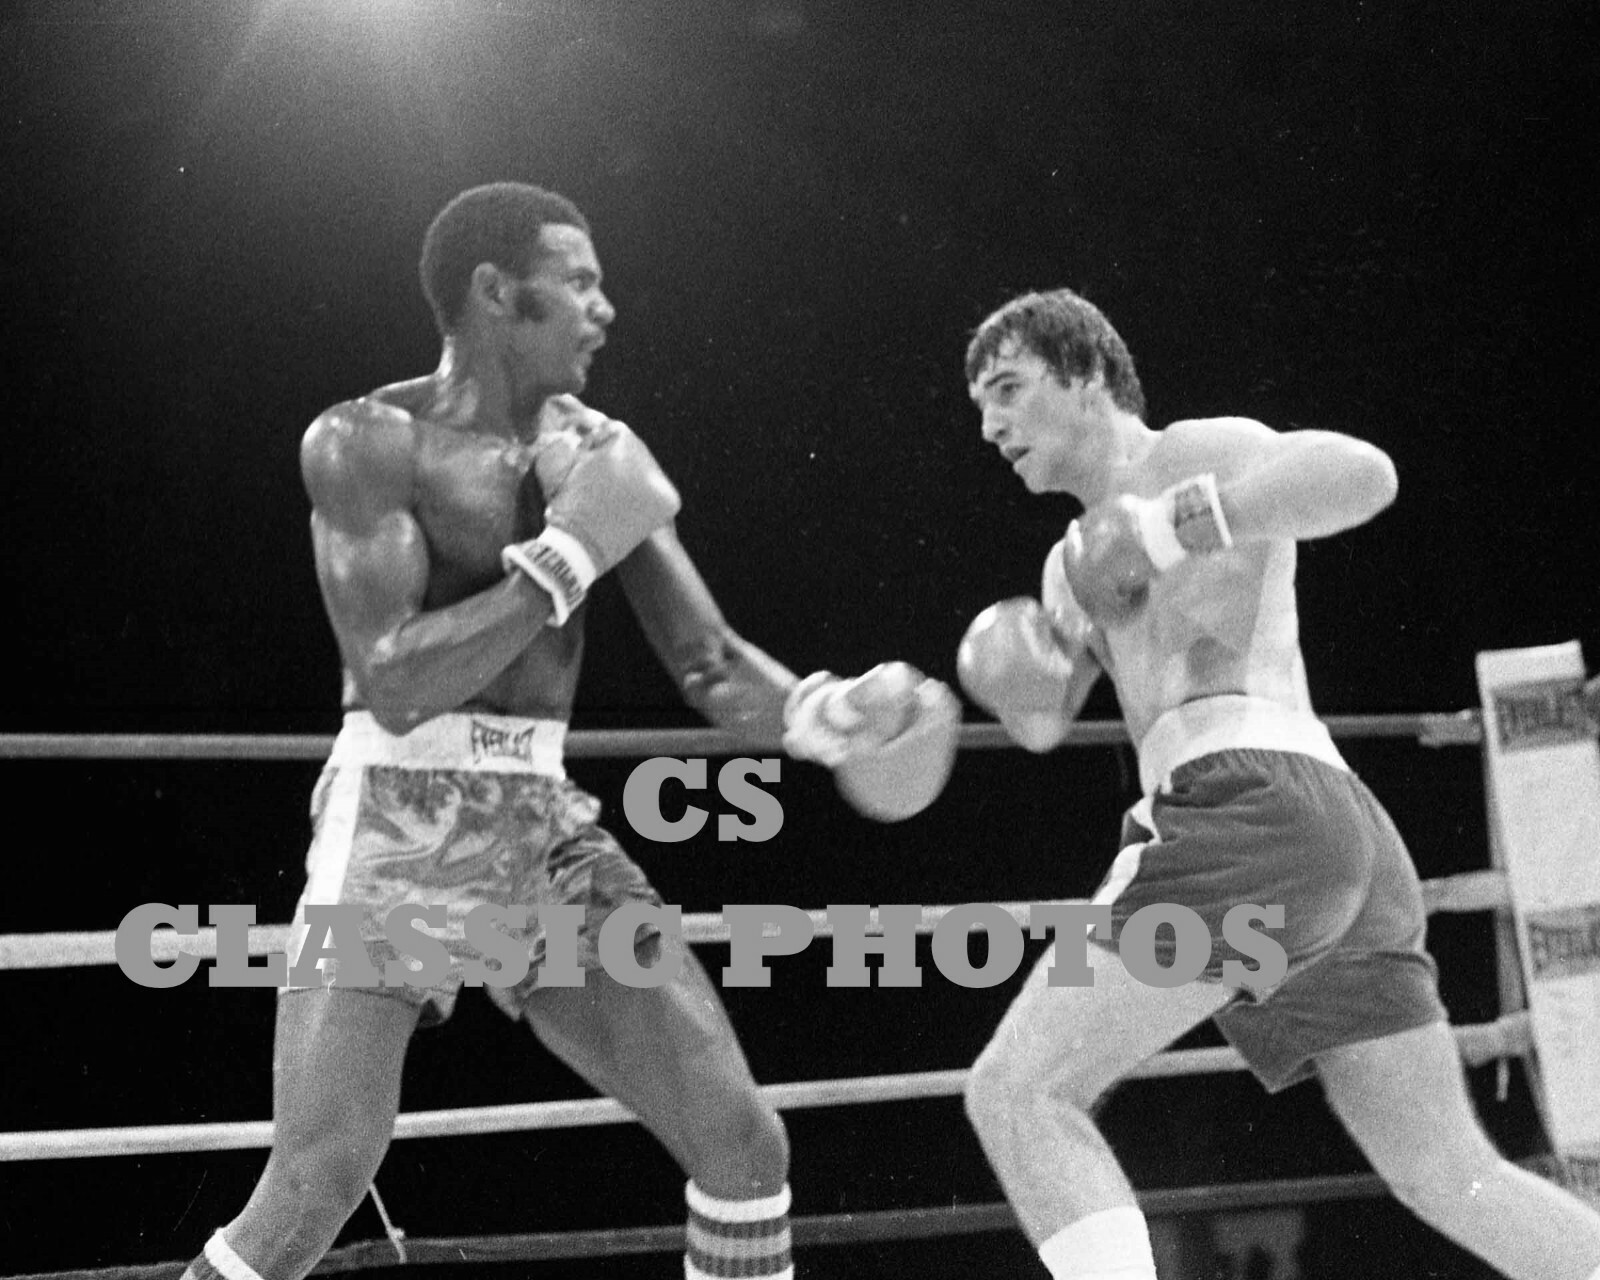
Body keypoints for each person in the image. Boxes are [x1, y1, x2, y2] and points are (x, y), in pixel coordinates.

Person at [180, 182, 960, 1280]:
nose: (606, 309)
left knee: (743, 1143)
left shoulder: (599, 451)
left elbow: (711, 663)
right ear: (498, 291)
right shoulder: (367, 440)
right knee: (315, 1183)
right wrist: (566, 552)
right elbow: (395, 680)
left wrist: (832, 714)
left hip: (545, 826)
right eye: (581, 281)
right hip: (401, 809)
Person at [954, 287, 1600, 1280]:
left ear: (1084, 377)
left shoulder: (1196, 452)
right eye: (978, 405)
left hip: (1245, 799)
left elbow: (1362, 475)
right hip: (1333, 840)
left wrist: (1175, 525)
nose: (990, 424)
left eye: (1008, 388)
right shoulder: (1065, 562)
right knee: (1447, 1171)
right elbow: (1043, 719)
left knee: (1017, 1091)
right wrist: (995, 666)